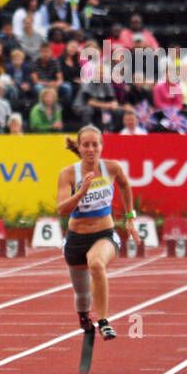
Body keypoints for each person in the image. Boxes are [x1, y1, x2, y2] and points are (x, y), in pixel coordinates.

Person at [56, 125, 137, 343]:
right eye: (86, 145)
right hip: (76, 238)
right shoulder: (68, 174)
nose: (91, 149)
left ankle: (104, 321)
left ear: (101, 146)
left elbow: (126, 186)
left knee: (97, 265)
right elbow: (62, 210)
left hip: (104, 234)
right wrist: (81, 192)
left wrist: (130, 216)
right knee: (82, 294)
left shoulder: (112, 167)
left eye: (95, 145)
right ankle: (84, 317)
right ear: (79, 148)